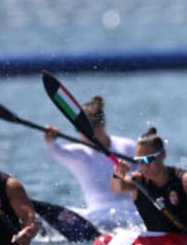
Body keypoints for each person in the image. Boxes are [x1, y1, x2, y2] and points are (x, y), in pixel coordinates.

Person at [110, 127, 187, 245]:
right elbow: (117, 187)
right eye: (140, 161)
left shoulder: (185, 180)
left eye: (148, 159)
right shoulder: (138, 181)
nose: (144, 166)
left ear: (162, 154)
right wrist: (117, 174)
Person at [43, 95, 141, 228]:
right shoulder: (80, 154)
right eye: (78, 129)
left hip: (133, 216)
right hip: (98, 217)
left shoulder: (128, 147)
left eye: (85, 128)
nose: (82, 133)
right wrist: (50, 140)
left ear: (102, 124)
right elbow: (56, 151)